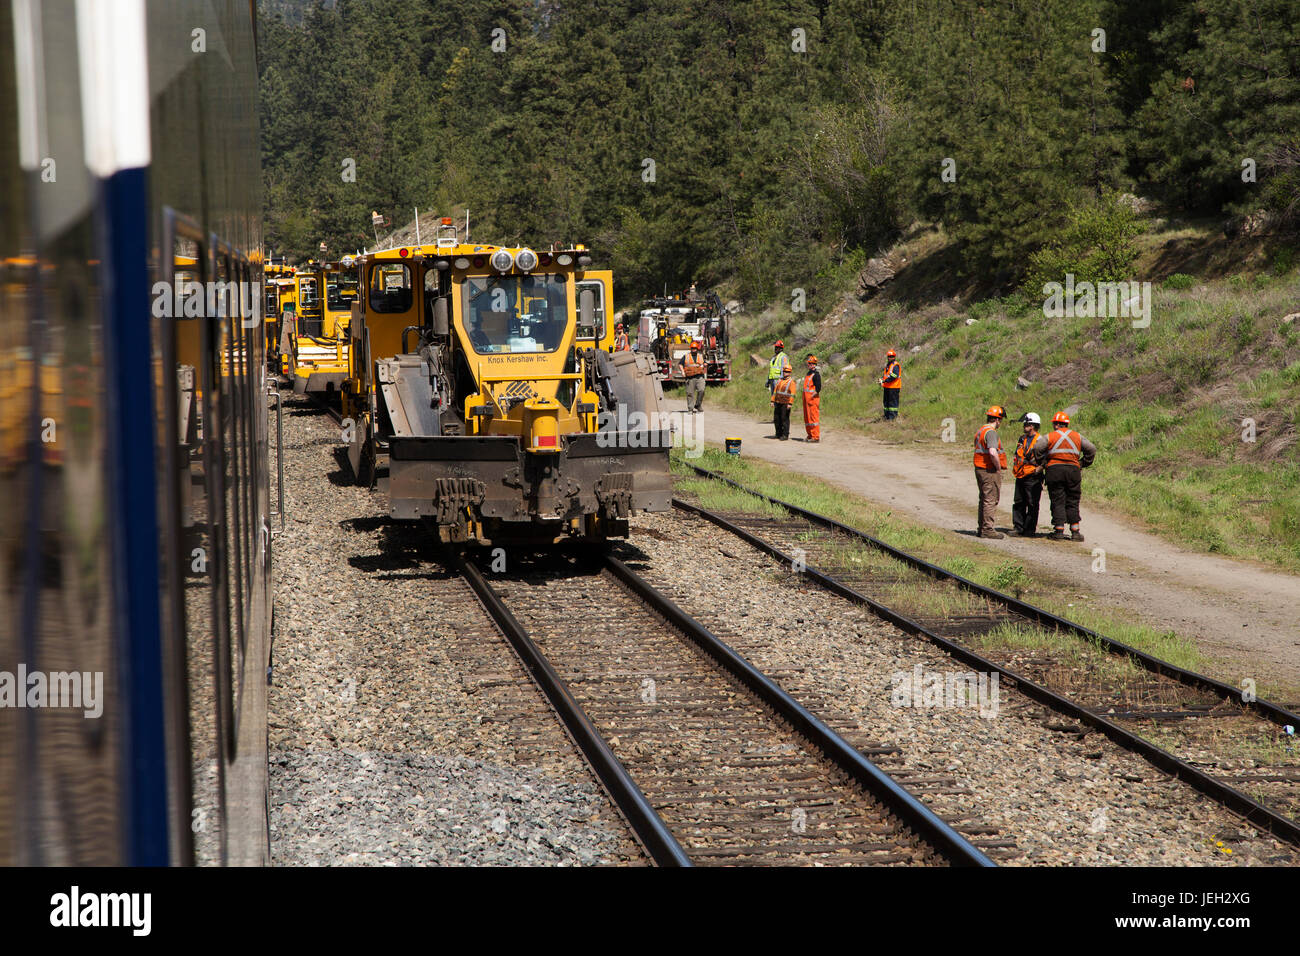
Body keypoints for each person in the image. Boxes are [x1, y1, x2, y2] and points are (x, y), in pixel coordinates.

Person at [1031, 411, 1097, 541]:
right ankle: (1075, 531)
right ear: (1066, 424)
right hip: (1073, 471)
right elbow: (1092, 449)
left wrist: (1043, 462)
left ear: (1056, 424)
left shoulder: (1050, 436)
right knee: (1073, 500)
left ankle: (1059, 530)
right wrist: (1082, 463)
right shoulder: (1077, 436)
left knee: (1057, 500)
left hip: (1054, 471)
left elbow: (1037, 448)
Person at [972, 405, 1008, 539]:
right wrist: (998, 468)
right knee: (990, 499)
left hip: (980, 468)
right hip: (989, 469)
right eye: (1001, 420)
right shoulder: (991, 432)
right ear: (997, 420)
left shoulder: (981, 430)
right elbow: (993, 452)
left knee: (984, 498)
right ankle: (987, 529)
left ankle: (982, 527)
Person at [1011, 412, 1044, 536]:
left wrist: (1040, 468)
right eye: (1025, 423)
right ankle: (1018, 527)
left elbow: (1047, 458)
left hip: (1033, 476)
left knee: (1032, 503)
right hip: (1020, 475)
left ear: (1034, 425)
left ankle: (1030, 529)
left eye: (1027, 424)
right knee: (1019, 502)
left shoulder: (1041, 440)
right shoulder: (1022, 438)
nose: (1025, 425)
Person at [682, 337, 706, 413]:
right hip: (690, 378)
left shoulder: (700, 356)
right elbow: (680, 364)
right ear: (691, 349)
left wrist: (705, 365)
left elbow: (704, 363)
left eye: (695, 348)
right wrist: (683, 371)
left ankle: (698, 405)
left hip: (700, 377)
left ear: (697, 349)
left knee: (701, 390)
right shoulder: (686, 356)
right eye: (692, 348)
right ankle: (690, 408)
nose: (694, 350)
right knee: (690, 393)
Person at [771, 365, 796, 440]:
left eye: (787, 372)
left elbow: (793, 394)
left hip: (786, 403)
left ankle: (785, 435)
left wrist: (790, 403)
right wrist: (772, 401)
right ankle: (778, 433)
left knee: (784, 419)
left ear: (790, 372)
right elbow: (775, 391)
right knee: (776, 418)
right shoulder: (780, 380)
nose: (785, 373)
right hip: (778, 402)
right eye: (784, 371)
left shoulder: (791, 382)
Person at [801, 355, 822, 442]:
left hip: (813, 401)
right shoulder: (808, 374)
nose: (808, 365)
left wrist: (812, 395)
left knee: (813, 418)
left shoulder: (816, 375)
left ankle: (815, 437)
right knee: (807, 418)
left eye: (810, 363)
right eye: (808, 363)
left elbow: (818, 388)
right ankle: (810, 435)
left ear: (814, 365)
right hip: (806, 400)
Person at [879, 349, 901, 420]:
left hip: (894, 387)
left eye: (891, 356)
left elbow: (894, 376)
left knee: (892, 403)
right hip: (887, 387)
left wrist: (885, 381)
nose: (890, 357)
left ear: (894, 356)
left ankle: (892, 418)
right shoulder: (888, 365)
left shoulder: (895, 365)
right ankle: (887, 416)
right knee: (886, 403)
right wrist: (882, 380)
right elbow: (886, 375)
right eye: (889, 356)